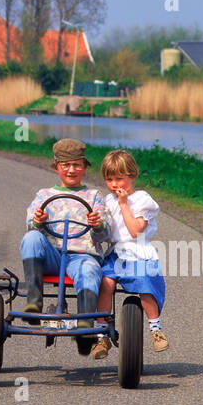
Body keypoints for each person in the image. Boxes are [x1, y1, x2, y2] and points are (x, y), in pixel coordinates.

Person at [21, 140, 111, 350]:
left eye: (77, 165)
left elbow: (106, 234)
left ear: (84, 167)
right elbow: (30, 226)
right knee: (31, 238)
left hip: (82, 255)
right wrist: (38, 221)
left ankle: (85, 323)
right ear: (56, 167)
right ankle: (34, 302)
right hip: (51, 256)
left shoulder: (95, 196)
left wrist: (98, 226)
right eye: (66, 165)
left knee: (89, 269)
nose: (72, 170)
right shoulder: (43, 195)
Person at [90, 149, 168, 358]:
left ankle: (156, 329)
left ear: (131, 177)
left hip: (138, 252)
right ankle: (101, 334)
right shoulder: (107, 201)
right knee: (105, 283)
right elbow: (106, 233)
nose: (115, 185)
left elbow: (135, 230)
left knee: (144, 282)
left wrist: (124, 204)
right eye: (109, 179)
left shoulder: (142, 199)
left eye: (119, 179)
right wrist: (97, 225)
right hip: (116, 253)